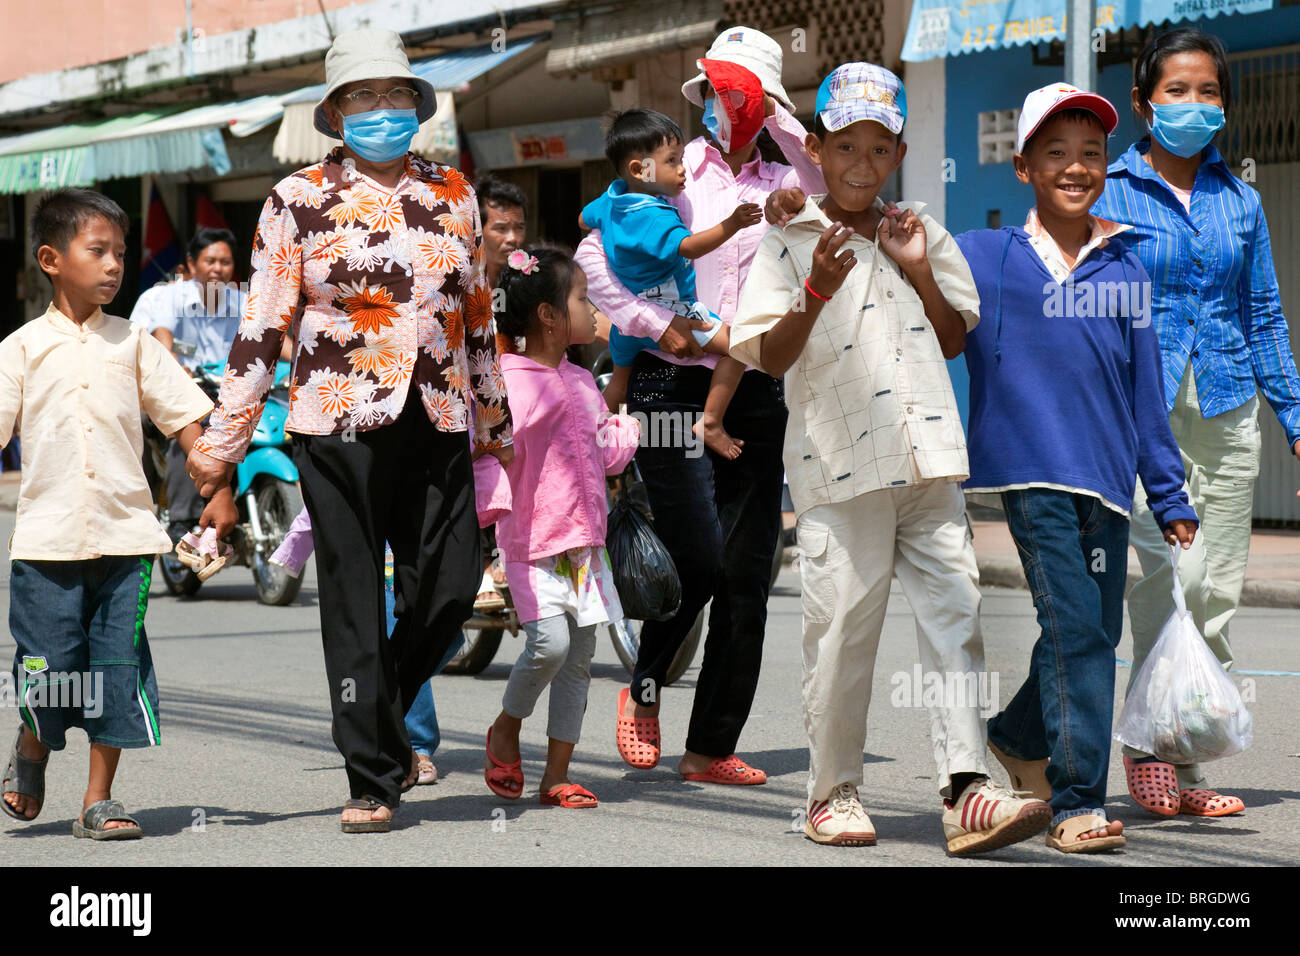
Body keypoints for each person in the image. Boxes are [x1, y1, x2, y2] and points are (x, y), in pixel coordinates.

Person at [185, 28, 513, 833]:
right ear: (335, 113)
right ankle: (372, 776)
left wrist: (495, 417)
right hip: (336, 422)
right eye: (361, 98)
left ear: (415, 106)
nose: (380, 111)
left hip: (436, 414)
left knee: (448, 586)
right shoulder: (295, 199)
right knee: (355, 600)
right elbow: (264, 325)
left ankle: (379, 715)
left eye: (393, 96)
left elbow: (476, 316)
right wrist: (223, 443)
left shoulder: (454, 194)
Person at [729, 62, 1048, 852]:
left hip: (929, 457)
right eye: (845, 146)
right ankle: (831, 792)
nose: (861, 165)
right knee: (841, 631)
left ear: (899, 151)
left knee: (957, 621)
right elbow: (767, 358)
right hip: (839, 468)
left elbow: (952, 338)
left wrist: (914, 270)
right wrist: (815, 290)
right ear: (817, 147)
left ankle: (966, 787)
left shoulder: (920, 231)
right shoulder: (790, 238)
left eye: (878, 148)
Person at [576, 24, 824, 786]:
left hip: (755, 382)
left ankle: (711, 746)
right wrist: (661, 326)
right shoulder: (672, 171)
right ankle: (645, 686)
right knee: (699, 559)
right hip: (668, 381)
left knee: (749, 572)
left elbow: (833, 194)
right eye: (718, 93)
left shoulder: (784, 183)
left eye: (742, 96)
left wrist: (784, 124)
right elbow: (594, 257)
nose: (728, 109)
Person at [956, 85, 1200, 854]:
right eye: (1056, 153)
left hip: (1107, 484)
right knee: (1081, 636)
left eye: (1091, 154)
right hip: (1031, 475)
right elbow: (913, 273)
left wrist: (1167, 491)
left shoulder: (1126, 264)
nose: (1075, 167)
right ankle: (1075, 801)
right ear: (1024, 167)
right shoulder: (987, 255)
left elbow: (1145, 392)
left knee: (1087, 629)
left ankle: (1017, 734)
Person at [1092, 27, 1300, 818]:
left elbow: (1266, 317)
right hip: (1136, 411)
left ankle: (1186, 759)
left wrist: (1296, 417)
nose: (1193, 104)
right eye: (1176, 91)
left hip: (1227, 405)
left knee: (1213, 590)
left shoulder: (1240, 202)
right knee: (1161, 582)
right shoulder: (1106, 191)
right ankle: (1147, 748)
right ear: (1143, 103)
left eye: (1208, 90)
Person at [0, 189, 235, 838]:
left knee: (116, 667)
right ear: (51, 258)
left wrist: (216, 484)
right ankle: (31, 743)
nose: (113, 267)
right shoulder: (19, 349)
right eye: (97, 251)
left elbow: (189, 419)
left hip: (126, 541)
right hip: (46, 547)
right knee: (50, 667)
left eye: (120, 255)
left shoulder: (132, 342)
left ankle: (98, 799)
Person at [480, 247, 640, 808]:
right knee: (547, 646)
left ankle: (557, 776)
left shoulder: (581, 380)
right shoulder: (508, 381)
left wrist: (624, 429)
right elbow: (486, 454)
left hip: (585, 546)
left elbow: (608, 457)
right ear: (549, 317)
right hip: (529, 543)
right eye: (581, 298)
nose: (593, 309)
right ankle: (505, 727)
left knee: (577, 659)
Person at [581, 103, 761, 459]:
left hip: (628, 326)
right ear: (640, 168)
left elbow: (584, 220)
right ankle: (711, 421)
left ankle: (587, 439)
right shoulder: (655, 216)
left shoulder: (612, 199)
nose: (683, 170)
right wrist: (733, 223)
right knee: (743, 347)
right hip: (675, 312)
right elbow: (690, 247)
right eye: (673, 161)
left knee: (618, 383)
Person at [268, 516, 464, 784]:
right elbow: (321, 496)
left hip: (433, 533)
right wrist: (294, 548)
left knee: (448, 637)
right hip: (383, 548)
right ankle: (415, 743)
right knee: (401, 633)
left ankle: (383, 709)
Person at [130, 228, 245, 551]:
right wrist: (174, 368)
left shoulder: (242, 300)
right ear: (192, 265)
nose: (218, 268)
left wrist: (300, 364)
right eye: (210, 260)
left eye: (225, 261)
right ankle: (181, 517)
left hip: (230, 399)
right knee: (190, 427)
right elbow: (162, 333)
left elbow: (271, 340)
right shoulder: (171, 297)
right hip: (179, 396)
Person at [472, 176, 528, 614]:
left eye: (519, 228)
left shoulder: (526, 280)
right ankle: (483, 568)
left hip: (520, 398)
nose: (512, 239)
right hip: (469, 404)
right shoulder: (455, 278)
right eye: (500, 228)